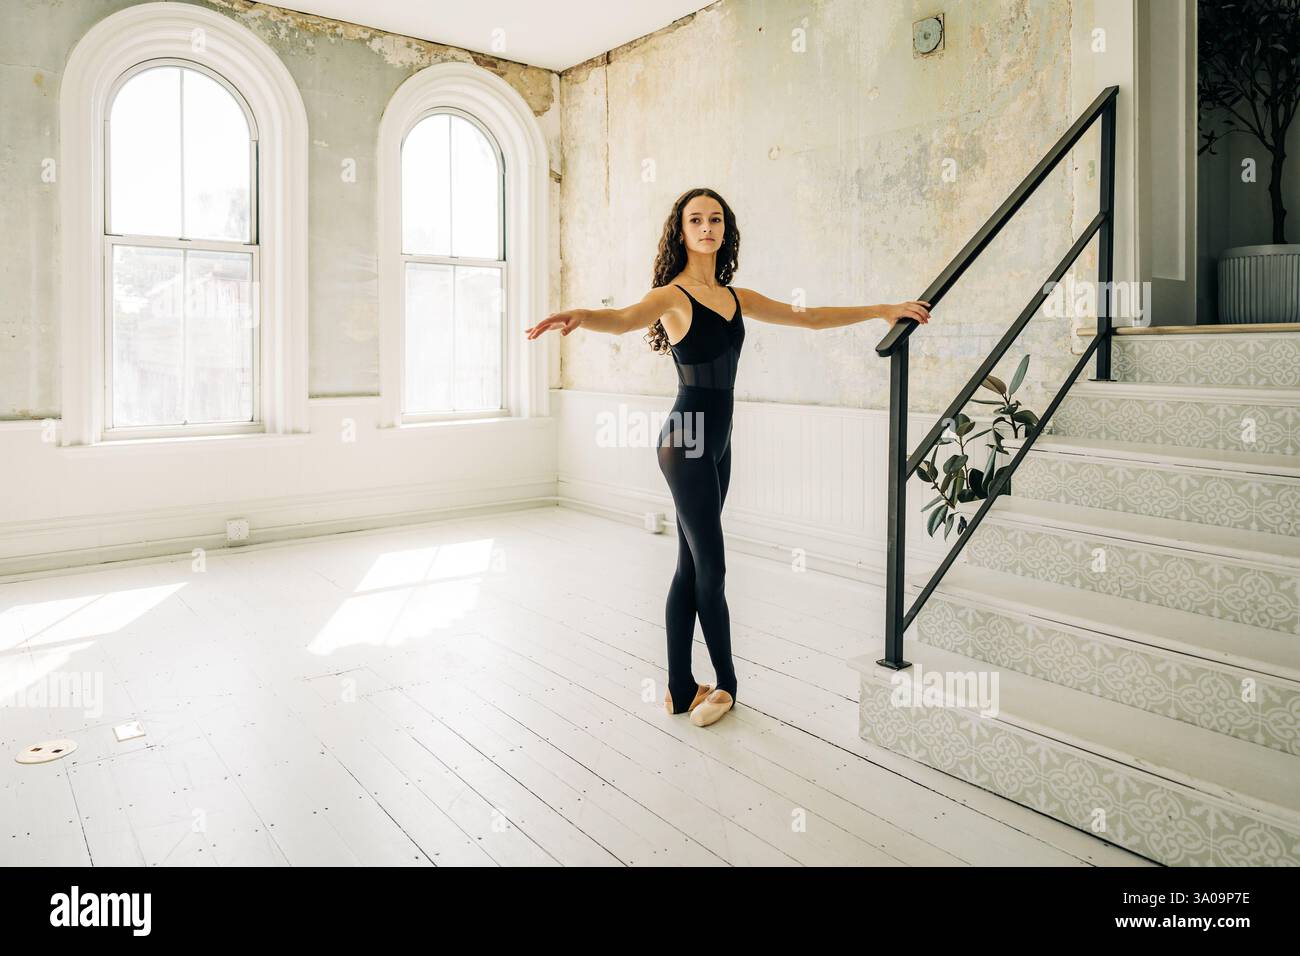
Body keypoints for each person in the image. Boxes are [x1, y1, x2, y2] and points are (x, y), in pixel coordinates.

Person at [526, 187, 931, 727]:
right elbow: (623, 317)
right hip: (686, 439)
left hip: (718, 442)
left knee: (690, 565)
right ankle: (727, 685)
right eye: (696, 219)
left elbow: (806, 317)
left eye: (715, 219)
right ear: (681, 230)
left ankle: (678, 686)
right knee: (712, 568)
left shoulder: (737, 297)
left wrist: (880, 309)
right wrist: (579, 316)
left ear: (725, 230)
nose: (707, 227)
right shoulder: (670, 295)